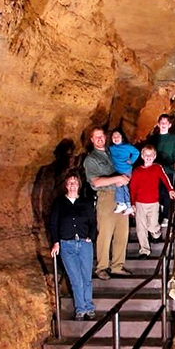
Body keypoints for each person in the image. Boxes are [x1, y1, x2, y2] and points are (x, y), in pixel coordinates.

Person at [83, 127, 132, 280]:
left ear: (105, 137)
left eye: (101, 136)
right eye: (96, 137)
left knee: (122, 233)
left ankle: (117, 266)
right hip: (106, 197)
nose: (99, 139)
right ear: (91, 140)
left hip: (122, 196)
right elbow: (96, 182)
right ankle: (102, 267)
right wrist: (117, 179)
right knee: (105, 233)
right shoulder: (91, 159)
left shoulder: (113, 151)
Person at [49, 171, 96, 320]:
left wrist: (91, 236)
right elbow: (53, 223)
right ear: (65, 185)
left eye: (75, 182)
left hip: (84, 243)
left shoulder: (86, 203)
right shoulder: (59, 203)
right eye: (69, 183)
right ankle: (80, 308)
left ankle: (89, 307)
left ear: (79, 185)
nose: (72, 185)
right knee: (76, 279)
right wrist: (56, 242)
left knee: (86, 277)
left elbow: (93, 222)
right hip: (67, 244)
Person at [130, 145, 175, 256]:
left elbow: (165, 178)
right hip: (140, 202)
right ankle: (144, 250)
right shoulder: (137, 171)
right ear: (142, 156)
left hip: (153, 202)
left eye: (151, 155)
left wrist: (170, 189)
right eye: (146, 155)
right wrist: (132, 203)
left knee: (152, 225)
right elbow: (132, 188)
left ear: (154, 156)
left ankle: (156, 234)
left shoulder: (157, 168)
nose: (148, 157)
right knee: (141, 228)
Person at [149, 114, 175, 227]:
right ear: (158, 124)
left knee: (167, 192)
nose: (163, 125)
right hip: (155, 169)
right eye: (161, 123)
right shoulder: (153, 138)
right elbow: (148, 152)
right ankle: (156, 215)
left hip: (168, 168)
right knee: (156, 192)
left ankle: (166, 217)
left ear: (169, 125)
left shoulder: (173, 138)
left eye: (165, 123)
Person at [108, 128, 139, 215]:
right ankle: (121, 203)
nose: (116, 138)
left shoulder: (127, 146)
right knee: (119, 186)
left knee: (125, 186)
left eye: (118, 136)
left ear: (122, 137)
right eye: (114, 136)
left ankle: (129, 204)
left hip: (126, 169)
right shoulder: (111, 148)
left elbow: (136, 152)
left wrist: (132, 160)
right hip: (117, 169)